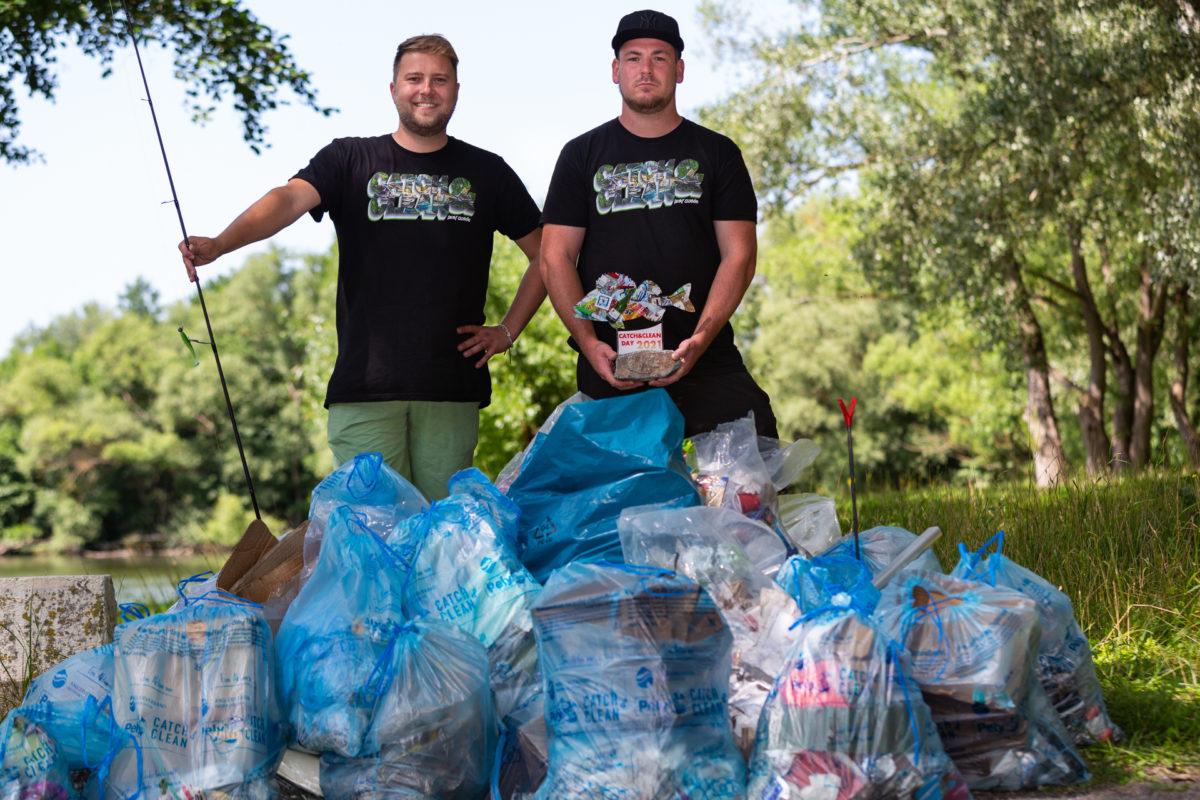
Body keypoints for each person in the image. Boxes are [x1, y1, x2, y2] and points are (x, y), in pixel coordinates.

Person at [180, 34, 544, 500]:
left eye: (439, 80)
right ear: (393, 89)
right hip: (364, 387)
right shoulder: (349, 158)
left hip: (451, 388)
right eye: (414, 78)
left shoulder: (488, 171)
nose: (426, 89)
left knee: (441, 536)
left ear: (455, 89)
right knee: (370, 533)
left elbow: (547, 255)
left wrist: (509, 331)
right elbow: (288, 198)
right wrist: (221, 244)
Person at [540, 9, 778, 438]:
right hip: (611, 363)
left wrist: (701, 339)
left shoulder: (718, 153)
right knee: (621, 499)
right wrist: (588, 342)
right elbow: (555, 256)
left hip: (705, 356)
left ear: (679, 70)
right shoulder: (580, 155)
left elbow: (739, 256)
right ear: (616, 70)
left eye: (660, 58)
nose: (645, 69)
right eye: (633, 58)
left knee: (751, 481)